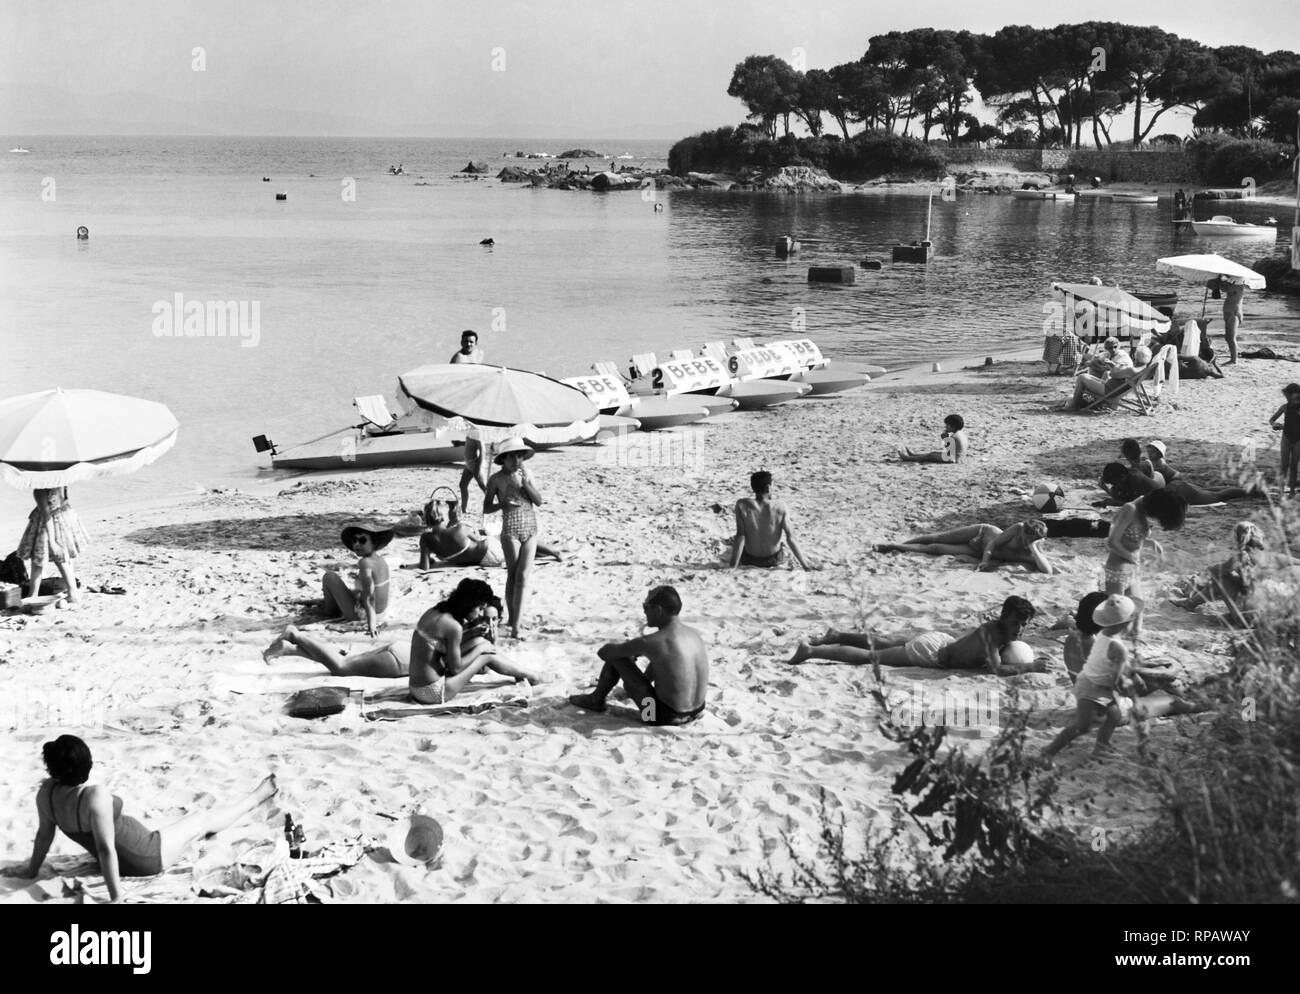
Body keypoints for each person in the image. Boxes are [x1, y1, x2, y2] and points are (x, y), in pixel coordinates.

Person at [1, 735, 277, 902]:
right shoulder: (93, 796)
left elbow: (44, 836)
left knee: (176, 825)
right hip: (147, 856)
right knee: (200, 819)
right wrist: (116, 896)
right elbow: (105, 849)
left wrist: (30, 870)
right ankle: (257, 797)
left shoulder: (47, 793)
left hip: (131, 849)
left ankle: (240, 815)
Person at [786, 596, 1042, 675]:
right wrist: (1031, 667)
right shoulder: (992, 634)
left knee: (885, 642)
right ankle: (811, 651)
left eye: (1024, 625)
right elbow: (997, 670)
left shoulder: (1000, 633)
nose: (1019, 630)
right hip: (933, 653)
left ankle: (836, 634)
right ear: (1004, 616)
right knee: (872, 656)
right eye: (1016, 623)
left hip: (942, 640)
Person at [568, 585, 709, 726]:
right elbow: (664, 663)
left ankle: (595, 700)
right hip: (697, 711)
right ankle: (600, 697)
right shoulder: (694, 634)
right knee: (649, 659)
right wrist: (638, 681)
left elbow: (604, 653)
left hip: (657, 717)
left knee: (617, 656)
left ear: (659, 610)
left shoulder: (652, 641)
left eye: (646, 607)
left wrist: (626, 648)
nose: (644, 612)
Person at [1062, 591, 1204, 719]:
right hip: (1108, 712)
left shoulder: (1073, 638)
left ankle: (1191, 697)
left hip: (1086, 707)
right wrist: (1162, 675)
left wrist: (1148, 666)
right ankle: (1203, 705)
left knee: (1158, 674)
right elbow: (1132, 685)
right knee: (1174, 700)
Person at [408, 578, 542, 703]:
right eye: (480, 608)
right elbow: (455, 669)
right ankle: (532, 676)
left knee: (480, 641)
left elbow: (443, 655)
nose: (480, 614)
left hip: (416, 687)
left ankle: (523, 671)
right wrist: (480, 650)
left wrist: (481, 644)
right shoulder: (453, 627)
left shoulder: (436, 612)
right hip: (432, 692)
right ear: (469, 604)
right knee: (486, 655)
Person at [1045, 594, 1138, 759]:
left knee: (1114, 715)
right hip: (1095, 693)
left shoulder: (1075, 637)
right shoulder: (1106, 645)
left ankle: (1101, 748)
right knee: (1083, 727)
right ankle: (1050, 750)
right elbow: (1114, 676)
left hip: (1084, 689)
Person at [483, 439, 543, 639]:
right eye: (513, 456)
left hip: (530, 528)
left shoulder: (526, 475)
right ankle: (513, 621)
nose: (517, 460)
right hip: (510, 530)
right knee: (513, 575)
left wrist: (526, 483)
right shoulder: (496, 479)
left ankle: (515, 624)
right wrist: (502, 504)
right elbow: (486, 508)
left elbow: (539, 501)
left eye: (520, 456)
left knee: (523, 576)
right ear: (504, 459)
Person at [1169, 521, 1270, 626]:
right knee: (1232, 578)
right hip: (1262, 616)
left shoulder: (1242, 556)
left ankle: (1190, 603)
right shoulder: (1262, 556)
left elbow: (1216, 571)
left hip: (1246, 619)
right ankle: (1191, 602)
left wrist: (1198, 579)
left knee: (1221, 578)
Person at [419, 497, 561, 569]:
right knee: (518, 539)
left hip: (485, 561)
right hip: (490, 551)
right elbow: (479, 539)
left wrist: (431, 558)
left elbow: (424, 567)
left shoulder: (425, 539)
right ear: (444, 517)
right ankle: (554, 551)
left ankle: (543, 551)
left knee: (515, 547)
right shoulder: (459, 529)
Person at [873, 519, 1053, 574]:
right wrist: (985, 560)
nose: (1024, 541)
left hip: (975, 551)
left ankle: (894, 547)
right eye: (1024, 538)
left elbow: (1048, 571)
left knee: (936, 548)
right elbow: (993, 542)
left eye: (1029, 539)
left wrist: (1033, 547)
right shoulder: (1018, 528)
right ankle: (898, 545)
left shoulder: (1033, 551)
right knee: (939, 537)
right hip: (981, 534)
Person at [1103, 487, 1187, 602]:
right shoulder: (1130, 509)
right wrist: (1130, 556)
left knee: (1137, 612)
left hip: (1133, 569)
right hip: (1118, 571)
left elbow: (1129, 537)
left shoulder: (1142, 509)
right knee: (1117, 614)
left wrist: (1151, 543)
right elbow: (1111, 542)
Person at [730, 471, 816, 570]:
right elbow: (791, 538)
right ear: (768, 487)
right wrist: (805, 565)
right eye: (773, 485)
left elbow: (741, 536)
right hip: (774, 560)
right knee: (783, 546)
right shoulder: (780, 507)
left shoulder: (742, 505)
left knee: (734, 542)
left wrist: (733, 566)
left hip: (750, 559)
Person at [18, 487, 89, 604]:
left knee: (47, 558)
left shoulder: (40, 491)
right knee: (61, 557)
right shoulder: (60, 482)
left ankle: (72, 593)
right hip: (64, 518)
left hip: (48, 525)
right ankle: (35, 594)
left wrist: (52, 542)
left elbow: (47, 516)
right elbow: (64, 501)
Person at [321, 522, 392, 636]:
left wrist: (371, 625)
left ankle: (329, 611)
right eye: (354, 540)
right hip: (380, 610)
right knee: (347, 589)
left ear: (374, 542)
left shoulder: (365, 563)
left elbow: (370, 597)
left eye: (362, 540)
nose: (357, 544)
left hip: (365, 614)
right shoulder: (380, 560)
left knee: (329, 577)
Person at [1098, 462, 1258, 507]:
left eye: (1114, 482)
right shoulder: (1128, 476)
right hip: (1175, 489)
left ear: (1122, 475)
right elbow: (1122, 496)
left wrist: (1112, 500)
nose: (1114, 485)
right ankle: (1250, 489)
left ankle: (1252, 491)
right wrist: (1108, 492)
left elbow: (1136, 503)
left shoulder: (1135, 479)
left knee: (1218, 496)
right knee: (1209, 491)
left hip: (1177, 494)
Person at [1062, 343, 1146, 411]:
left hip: (1109, 391)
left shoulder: (1131, 370)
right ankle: (1083, 401)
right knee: (1088, 375)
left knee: (1081, 377)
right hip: (1112, 387)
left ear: (1136, 357)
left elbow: (1113, 374)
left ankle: (1074, 405)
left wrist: (1112, 366)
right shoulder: (1142, 368)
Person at [1268, 382, 1300, 498]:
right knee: (1284, 465)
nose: (1289, 399)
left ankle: (1291, 490)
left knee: (1294, 466)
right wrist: (1275, 424)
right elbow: (1271, 419)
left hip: (1298, 440)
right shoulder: (1284, 407)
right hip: (1286, 438)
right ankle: (1281, 490)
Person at [895, 414, 967, 464]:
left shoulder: (954, 436)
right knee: (933, 454)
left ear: (953, 426)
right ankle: (913, 455)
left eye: (947, 425)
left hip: (953, 459)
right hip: (958, 458)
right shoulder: (961, 434)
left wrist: (945, 439)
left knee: (930, 456)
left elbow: (949, 452)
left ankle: (908, 458)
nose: (945, 427)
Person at [1208, 278, 1246, 364]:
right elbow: (1213, 285)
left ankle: (1234, 360)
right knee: (1228, 337)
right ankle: (1234, 357)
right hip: (1228, 312)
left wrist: (1219, 280)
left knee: (1231, 337)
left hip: (1234, 313)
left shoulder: (1239, 285)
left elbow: (1226, 288)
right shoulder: (1232, 283)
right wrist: (1215, 281)